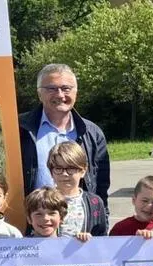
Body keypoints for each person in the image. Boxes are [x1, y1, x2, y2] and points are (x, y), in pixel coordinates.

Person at [20, 63, 110, 205]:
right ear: (39, 93)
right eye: (52, 89)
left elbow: (101, 186)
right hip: (34, 221)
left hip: (80, 221)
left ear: (76, 92)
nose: (60, 95)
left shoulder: (92, 133)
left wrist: (99, 222)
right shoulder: (19, 129)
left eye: (66, 89)